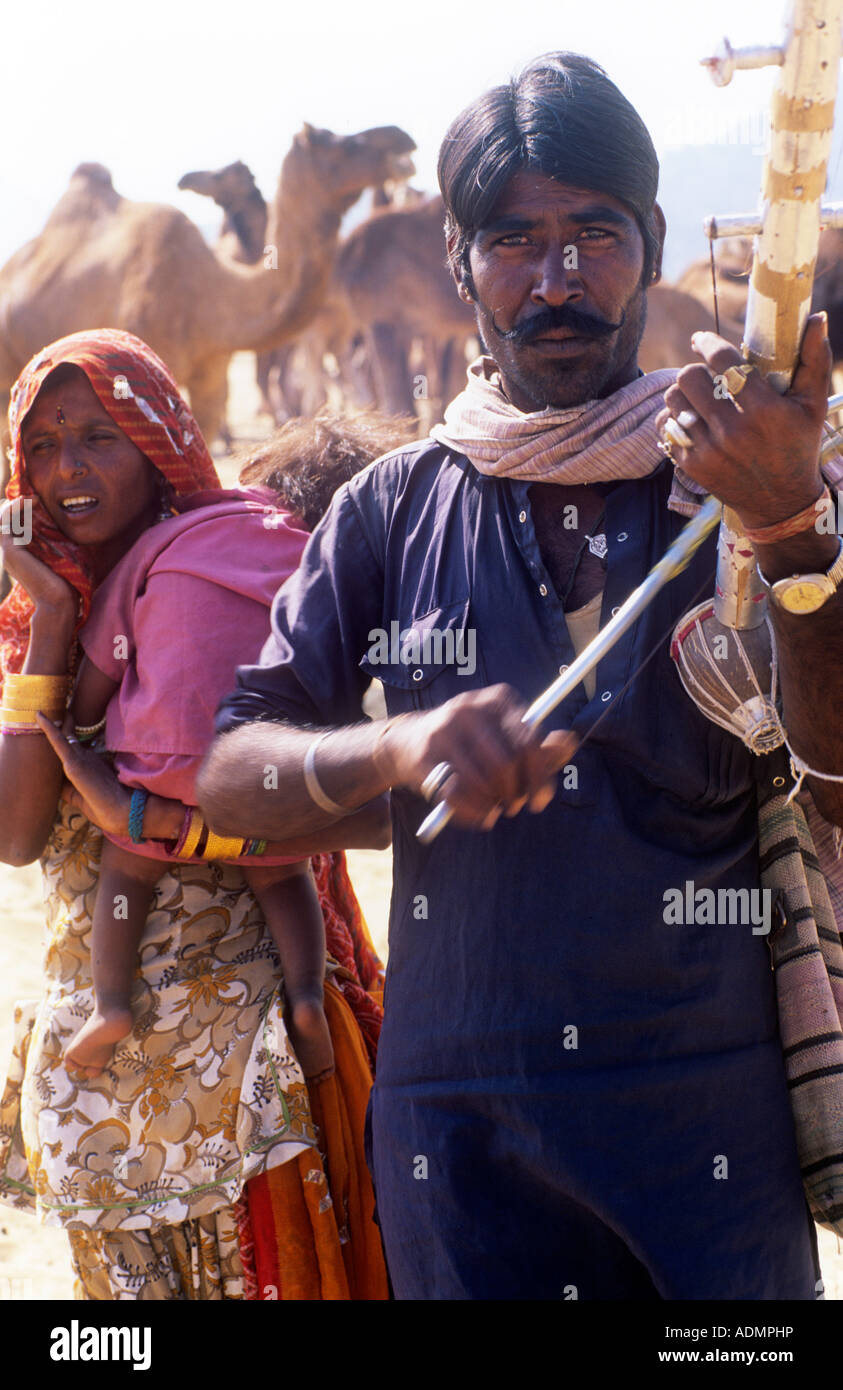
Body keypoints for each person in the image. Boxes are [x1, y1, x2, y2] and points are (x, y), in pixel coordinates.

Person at [198, 53, 843, 1300]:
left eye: (593, 235)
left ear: (650, 243)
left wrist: (795, 539)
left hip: (708, 1127)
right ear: (457, 260)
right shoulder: (392, 509)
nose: (557, 281)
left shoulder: (750, 479)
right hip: (461, 1139)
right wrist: (392, 748)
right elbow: (232, 772)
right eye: (514, 242)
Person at [0, 330, 397, 1299]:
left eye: (98, 436)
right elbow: (14, 836)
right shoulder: (30, 624)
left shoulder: (262, 580)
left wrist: (177, 830)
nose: (68, 470)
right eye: (44, 447)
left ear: (158, 441)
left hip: (254, 1070)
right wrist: (49, 615)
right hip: (100, 1095)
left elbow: (366, 805)